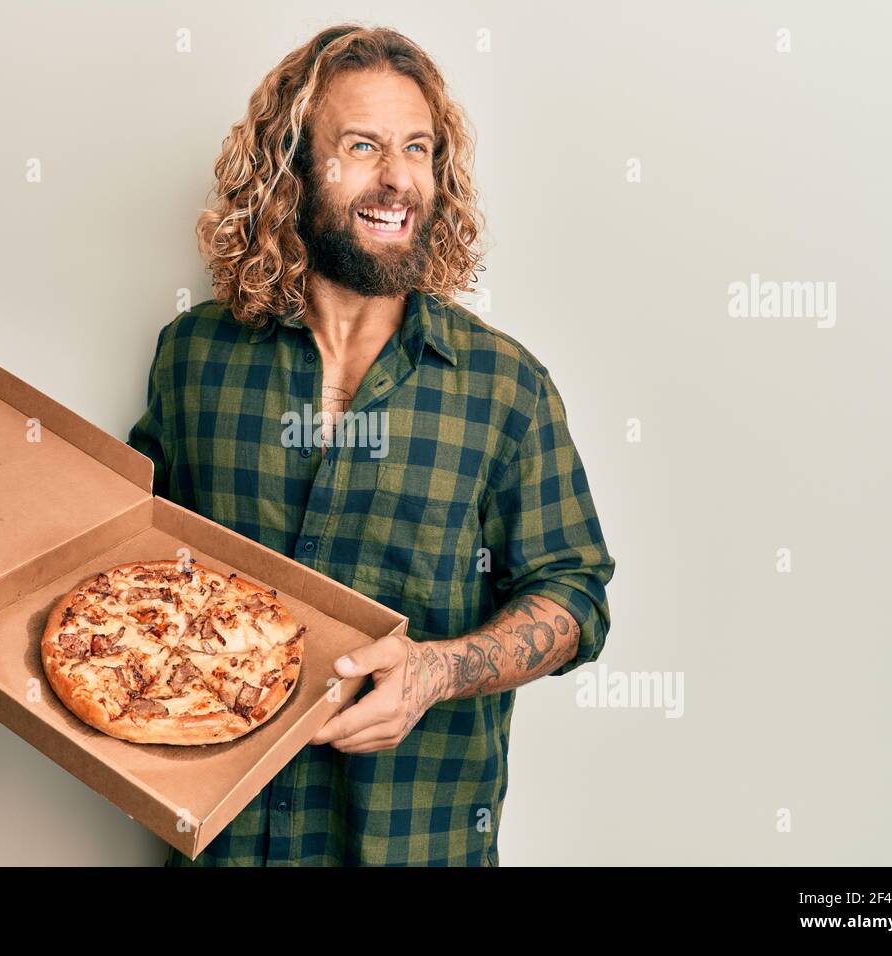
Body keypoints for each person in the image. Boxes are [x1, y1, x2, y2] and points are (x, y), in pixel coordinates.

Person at [127, 23, 615, 866]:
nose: (398, 180)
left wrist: (436, 671)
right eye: (362, 146)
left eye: (418, 150)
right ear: (291, 168)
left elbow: (576, 595)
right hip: (220, 844)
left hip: (413, 842)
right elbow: (134, 559)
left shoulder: (504, 387)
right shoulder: (194, 357)